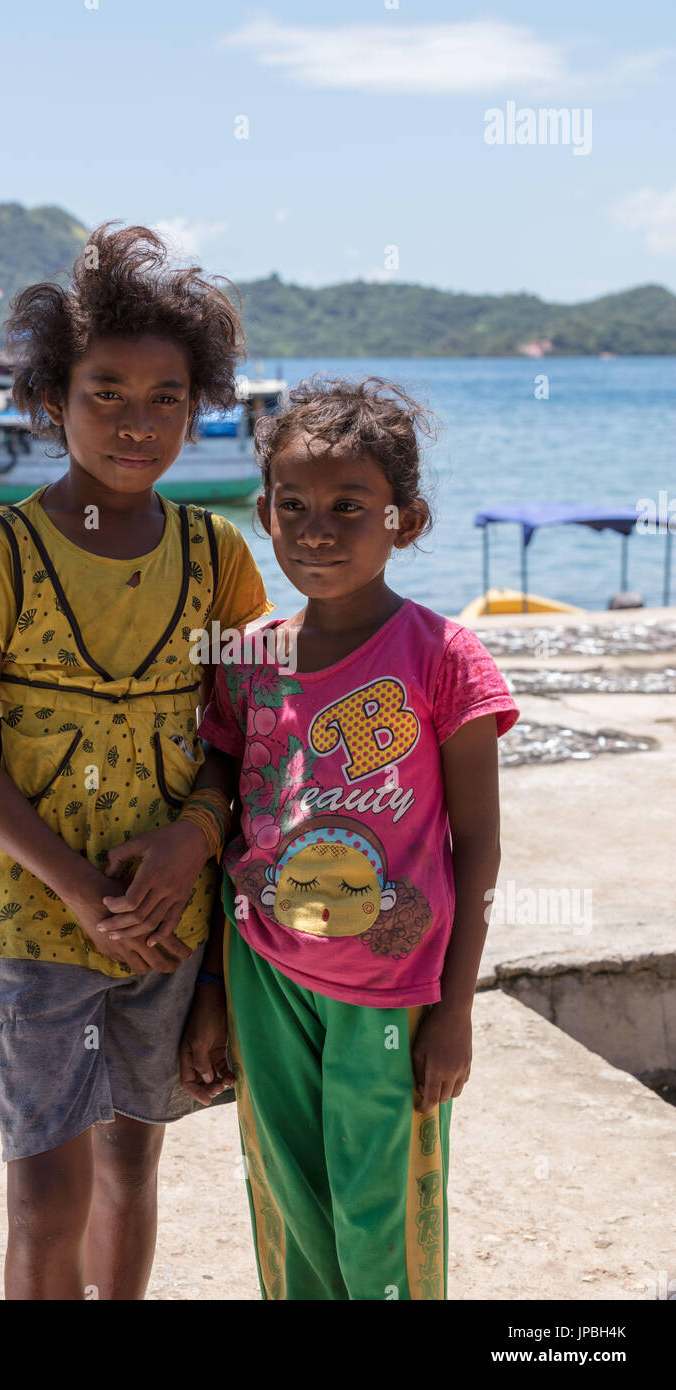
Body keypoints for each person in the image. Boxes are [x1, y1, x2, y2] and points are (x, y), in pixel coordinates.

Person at [0, 222, 272, 1300]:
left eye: (165, 396)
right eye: (105, 392)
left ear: (198, 404)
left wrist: (195, 834)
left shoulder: (216, 557)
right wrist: (79, 888)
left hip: (168, 915)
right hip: (36, 919)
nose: (136, 421)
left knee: (133, 1158)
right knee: (45, 1195)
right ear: (50, 401)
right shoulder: (1, 551)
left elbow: (244, 737)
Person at [195, 374, 520, 1300]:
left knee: (382, 1218)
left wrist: (456, 1008)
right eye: (292, 506)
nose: (317, 531)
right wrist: (214, 990)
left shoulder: (444, 658)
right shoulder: (250, 655)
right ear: (263, 512)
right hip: (264, 971)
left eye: (349, 506)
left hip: (393, 982)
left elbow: (479, 846)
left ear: (404, 522)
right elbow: (232, 813)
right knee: (288, 1195)